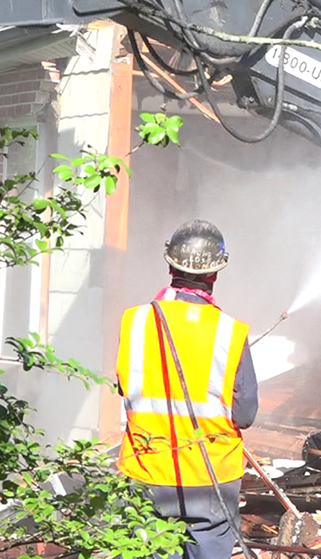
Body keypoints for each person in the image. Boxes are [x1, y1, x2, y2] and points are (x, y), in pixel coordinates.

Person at [116, 219, 259, 559]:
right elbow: (245, 414)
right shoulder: (231, 331)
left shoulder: (134, 321)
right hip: (211, 477)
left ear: (170, 266)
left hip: (147, 470)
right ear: (215, 273)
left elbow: (125, 388)